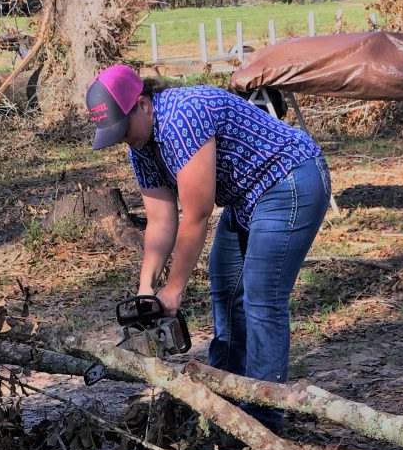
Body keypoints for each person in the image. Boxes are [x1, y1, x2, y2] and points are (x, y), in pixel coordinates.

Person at [86, 64, 331, 428]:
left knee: (261, 296)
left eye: (123, 129)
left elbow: (196, 215)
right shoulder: (141, 147)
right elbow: (160, 220)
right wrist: (146, 288)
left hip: (289, 180)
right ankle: (226, 399)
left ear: (143, 104)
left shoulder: (183, 117)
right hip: (245, 198)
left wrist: (174, 290)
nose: (123, 139)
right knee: (227, 291)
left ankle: (263, 418)